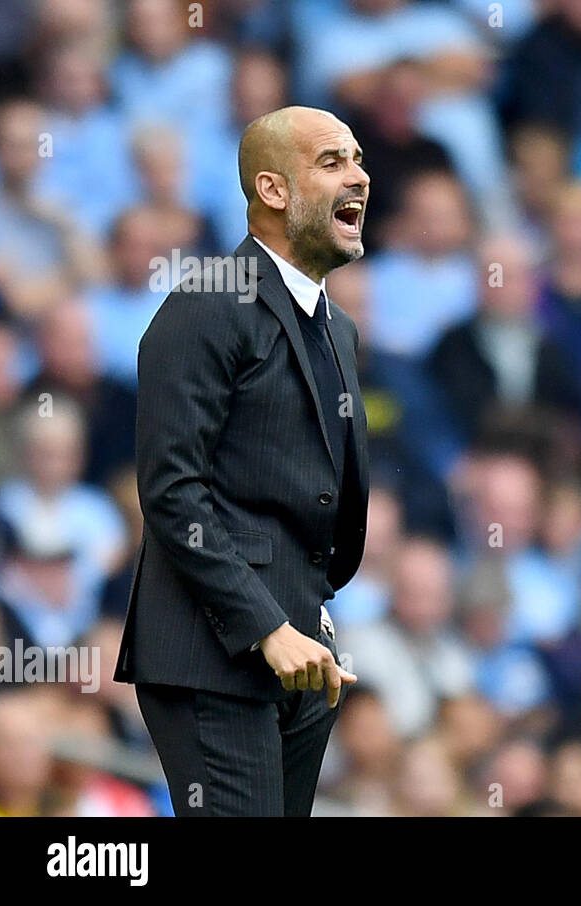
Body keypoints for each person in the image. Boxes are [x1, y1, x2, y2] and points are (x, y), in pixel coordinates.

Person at [113, 106, 372, 816]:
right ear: (274, 190)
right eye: (332, 162)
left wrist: (308, 615)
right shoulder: (206, 305)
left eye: (357, 158)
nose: (359, 175)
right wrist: (264, 625)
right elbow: (171, 490)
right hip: (213, 654)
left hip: (301, 651)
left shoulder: (338, 328)